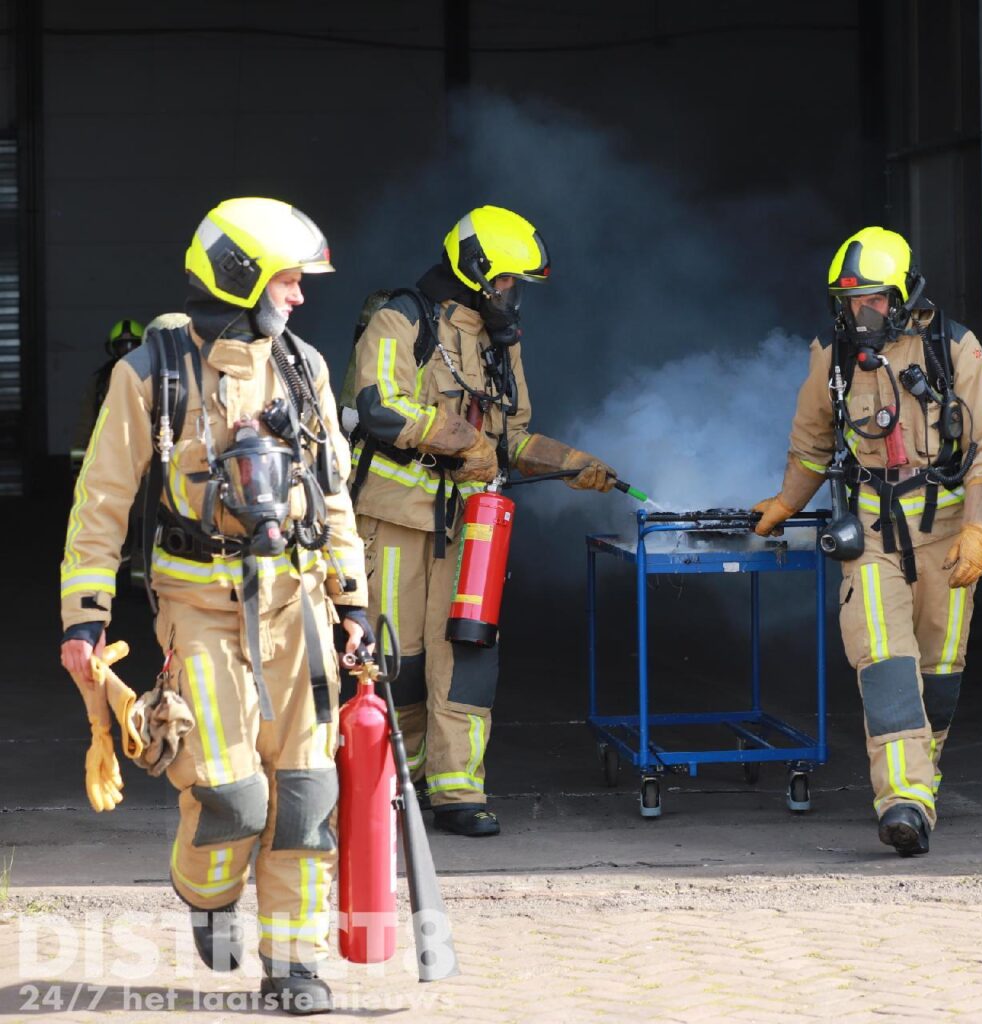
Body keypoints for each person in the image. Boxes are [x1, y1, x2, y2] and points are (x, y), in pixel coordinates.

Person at [59, 197, 370, 1014]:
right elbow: (102, 501)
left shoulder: (302, 365)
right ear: (240, 278)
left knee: (303, 796)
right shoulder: (149, 373)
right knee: (232, 796)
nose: (300, 297)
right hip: (197, 608)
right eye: (289, 281)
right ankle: (208, 897)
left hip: (295, 606)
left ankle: (293, 965)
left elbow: (332, 496)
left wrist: (355, 602)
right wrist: (83, 618)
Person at [343, 205, 616, 837]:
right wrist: (462, 440)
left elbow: (508, 437)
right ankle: (393, 783)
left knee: (468, 653)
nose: (512, 297)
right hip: (395, 520)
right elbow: (380, 406)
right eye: (506, 282)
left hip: (472, 526)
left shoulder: (500, 344)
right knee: (396, 657)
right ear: (476, 271)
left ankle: (458, 789)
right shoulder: (400, 317)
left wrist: (565, 460)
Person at [751, 226, 982, 856]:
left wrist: (978, 531)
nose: (856, 311)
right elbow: (813, 442)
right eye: (848, 300)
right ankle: (903, 802)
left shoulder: (954, 348)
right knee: (887, 666)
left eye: (868, 299)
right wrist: (788, 501)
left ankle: (922, 775)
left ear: (899, 296)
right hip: (869, 537)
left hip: (947, 537)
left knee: (939, 674)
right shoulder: (831, 355)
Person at [71, 319, 145, 468]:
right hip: (111, 455)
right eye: (122, 346)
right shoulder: (101, 381)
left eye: (133, 345)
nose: (128, 351)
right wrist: (78, 463)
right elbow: (86, 423)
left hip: (145, 454)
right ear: (113, 349)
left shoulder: (155, 377)